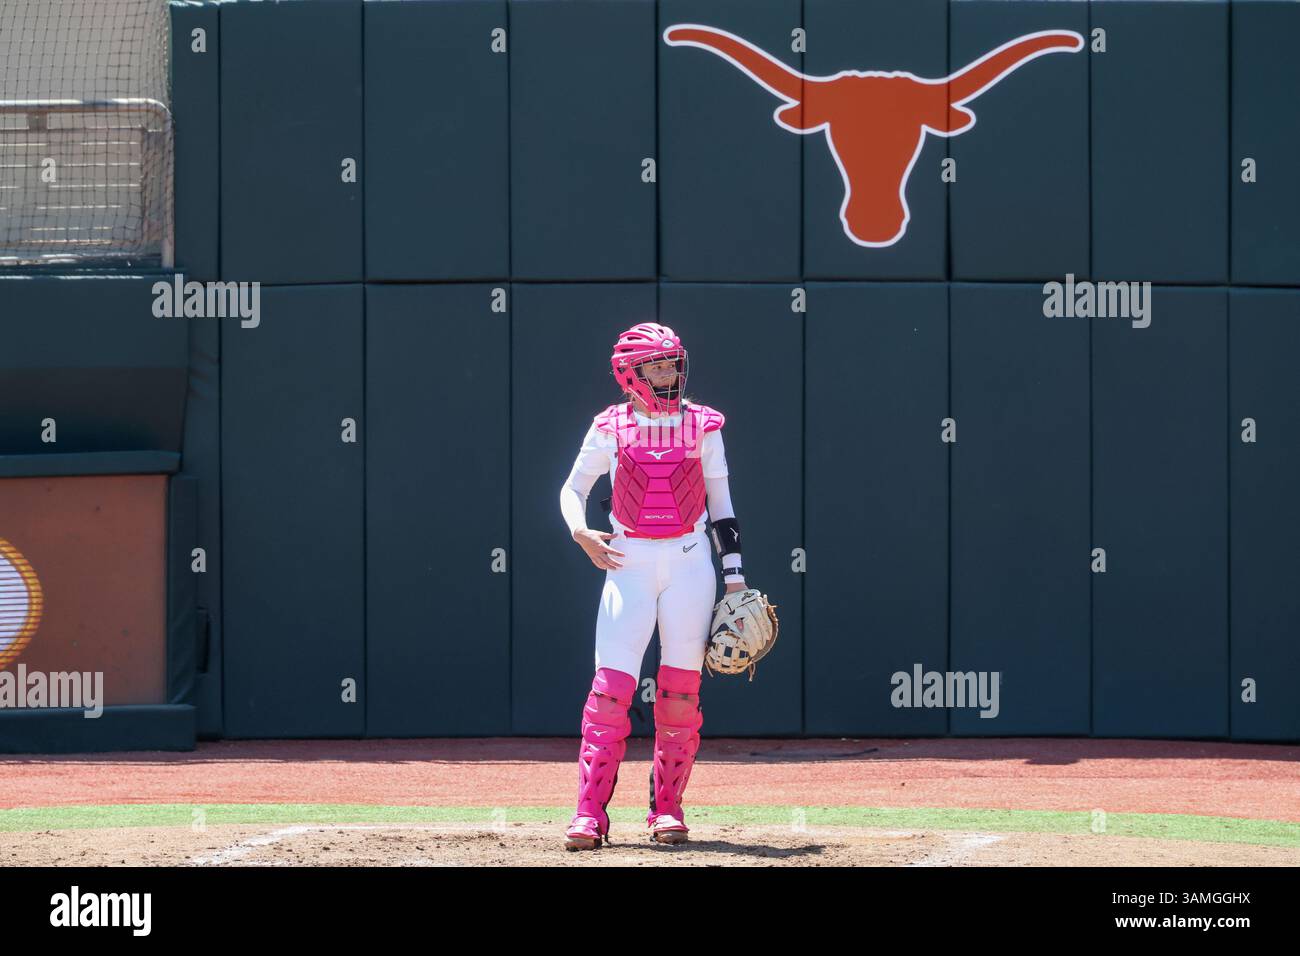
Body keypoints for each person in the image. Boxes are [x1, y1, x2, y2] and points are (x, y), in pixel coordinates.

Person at [558, 321, 747, 850]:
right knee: (610, 693)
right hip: (627, 562)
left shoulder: (704, 425)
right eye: (656, 366)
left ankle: (668, 809)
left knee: (681, 695)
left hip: (690, 565)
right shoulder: (611, 425)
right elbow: (572, 490)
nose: (668, 374)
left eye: (672, 364)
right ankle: (589, 815)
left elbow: (722, 507)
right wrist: (580, 533)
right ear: (629, 374)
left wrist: (734, 577)